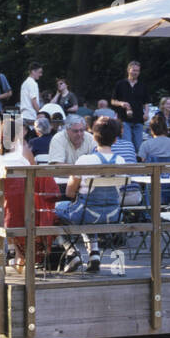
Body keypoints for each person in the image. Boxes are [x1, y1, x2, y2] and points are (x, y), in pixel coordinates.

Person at [54, 116, 127, 273]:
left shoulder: (85, 160)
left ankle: (71, 252)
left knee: (55, 211)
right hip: (113, 215)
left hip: (87, 213)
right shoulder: (121, 161)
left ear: (93, 137)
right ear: (115, 139)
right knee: (87, 209)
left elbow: (69, 192)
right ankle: (94, 253)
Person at [111, 61, 149, 150]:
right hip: (124, 119)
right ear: (128, 70)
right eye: (133, 70)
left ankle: (138, 163)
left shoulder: (142, 85)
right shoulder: (120, 84)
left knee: (139, 146)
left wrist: (146, 113)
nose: (135, 72)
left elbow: (146, 102)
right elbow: (113, 101)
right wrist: (121, 103)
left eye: (137, 71)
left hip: (139, 119)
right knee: (127, 145)